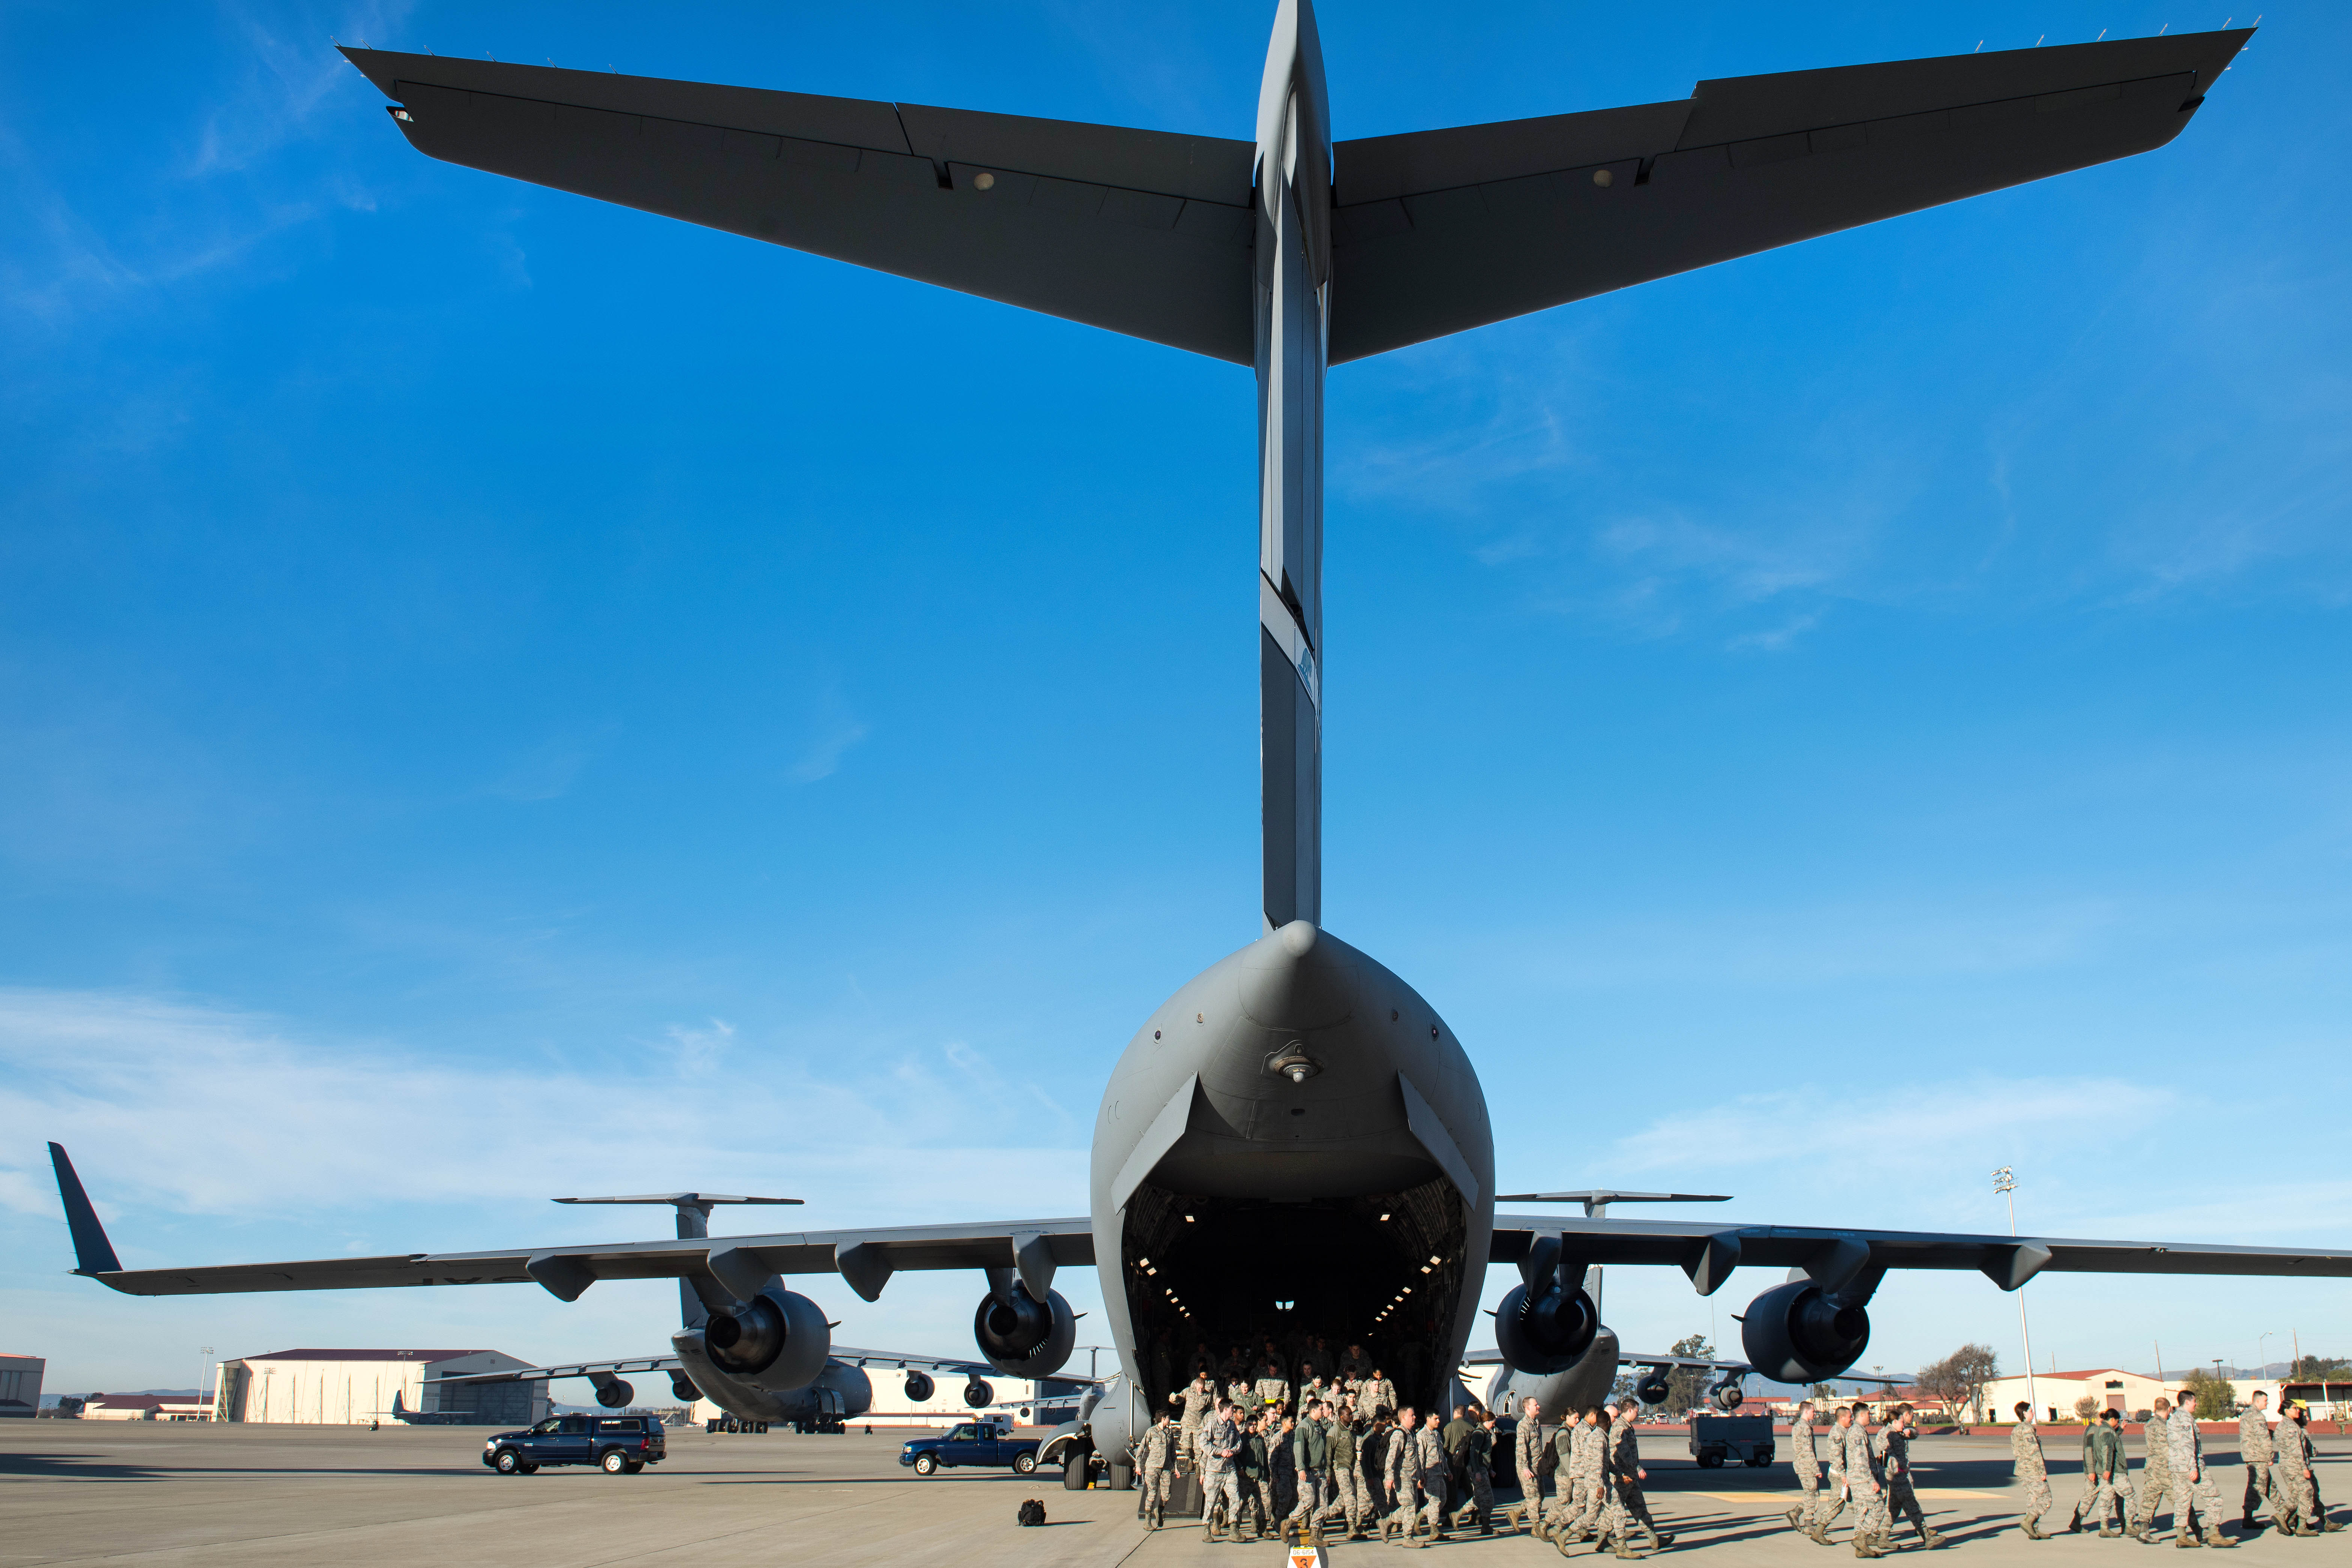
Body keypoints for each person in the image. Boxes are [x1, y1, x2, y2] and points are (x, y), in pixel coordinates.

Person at [2169, 1389, 2238, 1548]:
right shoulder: (2186, 1419)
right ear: (2187, 1402)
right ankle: (2214, 1534)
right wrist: (2193, 1467)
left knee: (2182, 1501)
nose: (2196, 1404)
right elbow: (2188, 1444)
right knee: (2214, 1497)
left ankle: (2181, 1536)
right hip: (2190, 1467)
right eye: (2194, 1401)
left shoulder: (2173, 1418)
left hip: (2177, 1468)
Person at [1607, 1395, 1670, 1556]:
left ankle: (1653, 1538)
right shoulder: (1619, 1427)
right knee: (1614, 1512)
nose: (1638, 1413)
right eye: (1637, 1411)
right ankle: (1604, 1540)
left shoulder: (1627, 1426)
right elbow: (1622, 1451)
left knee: (1640, 1508)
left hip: (1631, 1477)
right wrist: (1637, 1467)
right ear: (1630, 1410)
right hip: (1622, 1477)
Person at [1882, 1404, 1945, 1548]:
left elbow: (1914, 1434)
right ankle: (1926, 1537)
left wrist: (1906, 1433)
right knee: (1912, 1506)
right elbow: (1885, 1453)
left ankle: (1882, 1537)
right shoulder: (1887, 1433)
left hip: (1900, 1476)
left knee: (1894, 1508)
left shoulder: (1900, 1431)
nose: (1907, 1421)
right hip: (1897, 1477)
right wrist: (1894, 1469)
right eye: (1910, 1416)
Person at [2269, 1402, 2324, 1537]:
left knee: (2296, 1494)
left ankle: (2283, 1517)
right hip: (2295, 1465)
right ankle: (2300, 1526)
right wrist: (2303, 1467)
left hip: (2286, 1465)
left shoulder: (2281, 1426)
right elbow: (2296, 1450)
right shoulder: (2292, 1427)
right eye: (2295, 1409)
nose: (2298, 1411)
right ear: (2287, 1411)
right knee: (2307, 1491)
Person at [1849, 1403, 1890, 1558]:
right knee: (1879, 1506)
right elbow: (1860, 1460)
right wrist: (1871, 1480)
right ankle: (1861, 1539)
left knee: (1862, 1511)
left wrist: (1875, 1461)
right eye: (1869, 1414)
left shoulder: (1857, 1431)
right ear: (1862, 1415)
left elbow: (1861, 1457)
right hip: (1862, 1479)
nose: (1870, 1417)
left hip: (1858, 1477)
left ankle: (1861, 1549)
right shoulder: (1858, 1432)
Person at [1201, 1399, 1245, 1542]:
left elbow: (1238, 1442)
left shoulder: (1232, 1425)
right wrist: (1221, 1452)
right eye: (1232, 1408)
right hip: (1215, 1470)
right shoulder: (1212, 1424)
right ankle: (1207, 1529)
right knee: (1211, 1501)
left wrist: (1233, 1451)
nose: (1234, 1411)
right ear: (1226, 1409)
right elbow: (1203, 1443)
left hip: (1230, 1469)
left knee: (1235, 1497)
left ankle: (1234, 1529)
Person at [2012, 1401, 2056, 1541]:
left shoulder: (2017, 1429)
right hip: (2032, 1470)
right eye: (2031, 1411)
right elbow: (2034, 1451)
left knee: (2033, 1498)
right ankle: (2028, 1522)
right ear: (2024, 1413)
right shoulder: (2026, 1429)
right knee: (2046, 1497)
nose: (2033, 1413)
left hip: (2023, 1470)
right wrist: (2041, 1469)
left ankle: (2034, 1530)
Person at [2080, 1408, 2126, 1537]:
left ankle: (2079, 1522)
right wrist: (2091, 1471)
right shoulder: (2093, 1431)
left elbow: (2110, 1440)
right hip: (2095, 1469)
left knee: (2094, 1496)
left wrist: (2120, 1429)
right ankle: (2077, 1522)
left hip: (2097, 1469)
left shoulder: (2097, 1429)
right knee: (2090, 1497)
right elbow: (2089, 1451)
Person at [1786, 1398, 1828, 1539]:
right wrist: (1816, 1468)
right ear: (1806, 1411)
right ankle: (1806, 1523)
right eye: (1813, 1411)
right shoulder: (1804, 1427)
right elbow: (1808, 1450)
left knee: (1811, 1494)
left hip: (1802, 1464)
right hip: (1806, 1465)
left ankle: (1799, 1516)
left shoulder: (1800, 1426)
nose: (1814, 1414)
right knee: (1812, 1494)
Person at [2135, 1398, 2177, 1542]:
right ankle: (2195, 1531)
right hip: (2165, 1469)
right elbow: (2166, 1450)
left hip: (2152, 1467)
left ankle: (2143, 1531)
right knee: (2180, 1499)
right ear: (2169, 1409)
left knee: (2149, 1499)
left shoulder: (2149, 1424)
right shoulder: (2165, 1426)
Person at [1289, 1401, 1330, 1542]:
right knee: (1309, 1501)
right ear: (1313, 1411)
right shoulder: (1304, 1426)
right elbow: (1298, 1448)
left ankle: (1315, 1535)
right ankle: (1288, 1522)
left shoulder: (1319, 1425)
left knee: (1323, 1505)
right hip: (1309, 1471)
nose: (1323, 1412)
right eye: (1321, 1409)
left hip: (1321, 1471)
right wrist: (1301, 1468)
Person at [1513, 1395, 1553, 1537]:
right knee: (1534, 1498)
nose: (1539, 1407)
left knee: (1541, 1495)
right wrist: (1525, 1467)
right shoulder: (1523, 1425)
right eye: (1536, 1405)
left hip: (1537, 1466)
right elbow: (1521, 1447)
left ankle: (1516, 1513)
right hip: (1527, 1467)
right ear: (1527, 1408)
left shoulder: (1536, 1422)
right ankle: (1536, 1528)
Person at [1452, 1407, 1496, 1536]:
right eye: (1493, 1423)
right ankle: (1485, 1526)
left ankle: (1458, 1516)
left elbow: (1485, 1455)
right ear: (1487, 1422)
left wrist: (1490, 1469)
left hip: (1482, 1468)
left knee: (1479, 1498)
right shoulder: (1479, 1434)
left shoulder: (1485, 1433)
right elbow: (1474, 1453)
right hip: (1477, 1469)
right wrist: (1477, 1471)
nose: (1494, 1425)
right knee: (1488, 1498)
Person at [1411, 1409, 1451, 1546]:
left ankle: (1419, 1517)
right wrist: (1420, 1476)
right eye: (1436, 1419)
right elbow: (1420, 1458)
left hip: (1440, 1473)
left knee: (1443, 1500)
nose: (1439, 1421)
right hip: (1429, 1474)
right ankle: (1434, 1530)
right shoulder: (1422, 1436)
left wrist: (1447, 1470)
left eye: (1439, 1419)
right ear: (1428, 1420)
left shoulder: (1437, 1434)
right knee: (1435, 1501)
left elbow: (1441, 1455)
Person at [2238, 1389, 2275, 1532]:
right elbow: (2263, 1438)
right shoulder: (2258, 1416)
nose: (2267, 1403)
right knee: (2257, 1488)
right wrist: (2270, 1456)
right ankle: (2248, 1518)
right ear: (2258, 1401)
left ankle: (2285, 1512)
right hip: (2259, 1456)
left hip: (2250, 1455)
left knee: (2269, 1486)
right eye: (2265, 1401)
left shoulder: (2246, 1414)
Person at [1382, 1404, 1419, 1543]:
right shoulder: (1399, 1434)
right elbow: (1391, 1458)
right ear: (1403, 1418)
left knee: (1411, 1507)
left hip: (1413, 1477)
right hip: (1403, 1478)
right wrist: (1390, 1477)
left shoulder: (1411, 1434)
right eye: (1412, 1415)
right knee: (1409, 1506)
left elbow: (1415, 1457)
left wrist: (1421, 1475)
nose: (1415, 1417)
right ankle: (1408, 1538)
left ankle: (1387, 1522)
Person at [1136, 1410, 1178, 1529]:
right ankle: (1148, 1521)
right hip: (1153, 1467)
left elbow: (1173, 1451)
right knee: (1153, 1493)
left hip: (1166, 1467)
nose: (1170, 1420)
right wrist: (1138, 1466)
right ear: (1163, 1419)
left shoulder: (1170, 1432)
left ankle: (1159, 1509)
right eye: (1168, 1418)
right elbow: (1141, 1448)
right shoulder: (1152, 1431)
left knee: (1167, 1495)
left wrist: (1176, 1468)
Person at [1824, 1404, 1855, 1535]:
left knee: (1854, 1503)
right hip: (1839, 1475)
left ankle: (1868, 1531)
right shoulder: (1837, 1433)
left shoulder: (1844, 1431)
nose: (1852, 1419)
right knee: (1837, 1504)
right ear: (1842, 1418)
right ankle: (1819, 1530)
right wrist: (1843, 1475)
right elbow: (1836, 1457)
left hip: (1844, 1473)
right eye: (1849, 1417)